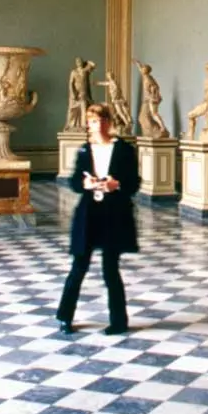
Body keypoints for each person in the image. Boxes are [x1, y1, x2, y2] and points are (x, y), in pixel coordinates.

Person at [56, 103, 141, 335]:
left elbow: (134, 183)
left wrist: (118, 184)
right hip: (88, 214)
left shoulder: (123, 149)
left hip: (114, 214)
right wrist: (84, 184)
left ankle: (119, 321)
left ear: (108, 122)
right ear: (89, 124)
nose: (98, 125)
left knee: (110, 269)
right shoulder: (85, 150)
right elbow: (74, 181)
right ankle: (64, 317)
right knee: (79, 267)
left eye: (101, 120)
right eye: (93, 121)